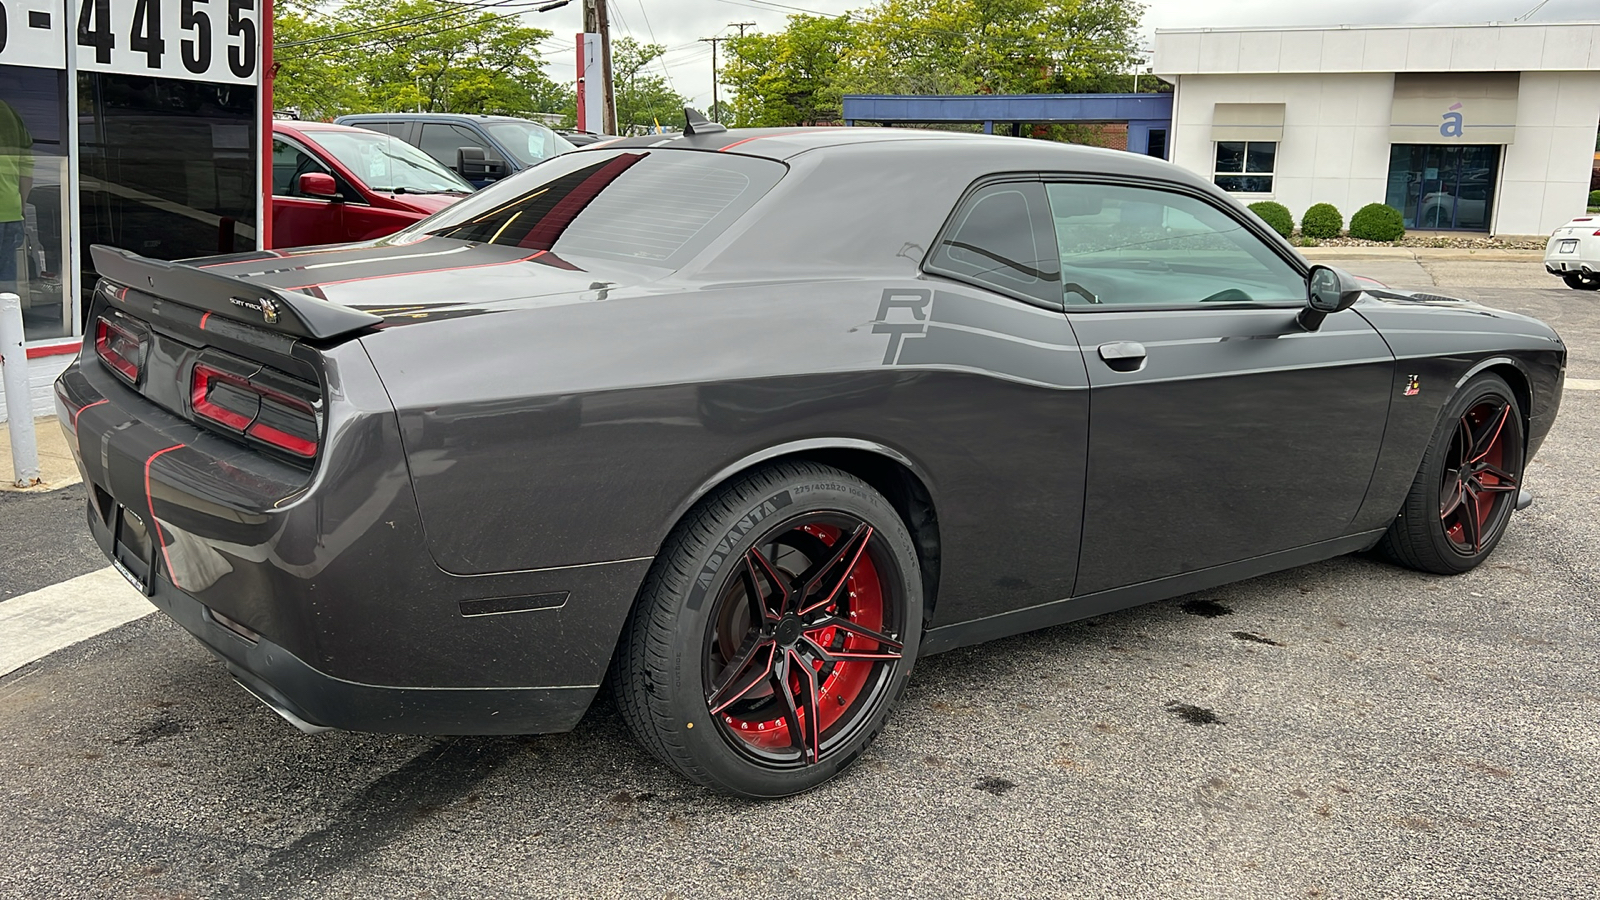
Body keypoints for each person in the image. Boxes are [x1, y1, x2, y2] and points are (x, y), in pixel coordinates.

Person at [0, 99, 34, 297]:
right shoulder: (11, 114)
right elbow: (26, 168)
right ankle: (6, 325)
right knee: (6, 283)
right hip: (12, 212)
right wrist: (20, 206)